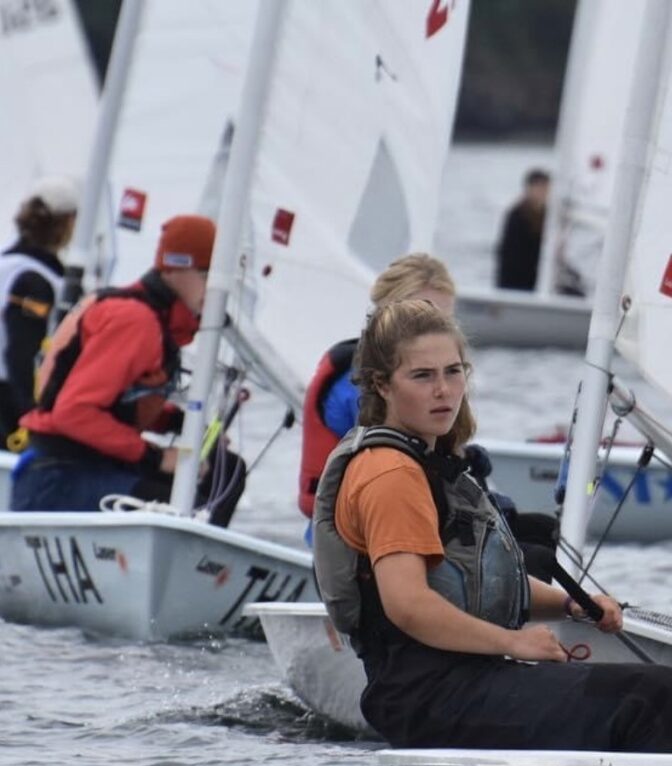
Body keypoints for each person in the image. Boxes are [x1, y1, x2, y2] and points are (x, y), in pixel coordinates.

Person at [312, 299, 672, 753]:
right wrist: (514, 641)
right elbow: (409, 605)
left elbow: (473, 580)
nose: (444, 390)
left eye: (453, 372)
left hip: (469, 678)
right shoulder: (390, 474)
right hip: (426, 697)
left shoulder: (429, 462)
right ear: (382, 385)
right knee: (649, 698)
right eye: (423, 376)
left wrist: (574, 605)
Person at [298, 252, 557, 578]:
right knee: (529, 559)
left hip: (418, 513)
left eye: (445, 320)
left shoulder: (433, 378)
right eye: (421, 314)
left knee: (543, 533)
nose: (435, 330)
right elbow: (395, 477)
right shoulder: (365, 386)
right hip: (362, 542)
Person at [11, 214, 245, 527]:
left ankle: (195, 568)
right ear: (176, 268)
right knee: (190, 508)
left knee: (225, 469)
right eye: (207, 275)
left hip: (90, 468)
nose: (215, 290)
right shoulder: (135, 320)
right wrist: (158, 458)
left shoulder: (153, 319)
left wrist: (181, 421)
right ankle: (189, 568)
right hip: (59, 479)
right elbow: (75, 412)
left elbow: (119, 403)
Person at [0, 177, 79, 450]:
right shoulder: (34, 279)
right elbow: (19, 353)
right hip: (8, 399)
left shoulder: (7, 263)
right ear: (68, 223)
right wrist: (29, 417)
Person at [495, 168, 550, 291]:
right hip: (516, 281)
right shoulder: (517, 214)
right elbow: (511, 254)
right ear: (529, 188)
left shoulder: (548, 216)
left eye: (545, 188)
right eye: (539, 187)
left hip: (538, 279)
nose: (543, 192)